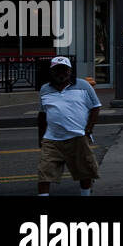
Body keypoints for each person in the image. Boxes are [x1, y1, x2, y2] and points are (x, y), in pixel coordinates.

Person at [37, 57, 101, 196]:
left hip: (77, 136)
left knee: (84, 171)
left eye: (64, 69)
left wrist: (88, 129)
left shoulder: (83, 85)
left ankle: (85, 194)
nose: (61, 73)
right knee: (44, 172)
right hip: (52, 139)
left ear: (70, 70)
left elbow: (95, 107)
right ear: (51, 71)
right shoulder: (45, 89)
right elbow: (42, 115)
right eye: (57, 69)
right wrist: (41, 138)